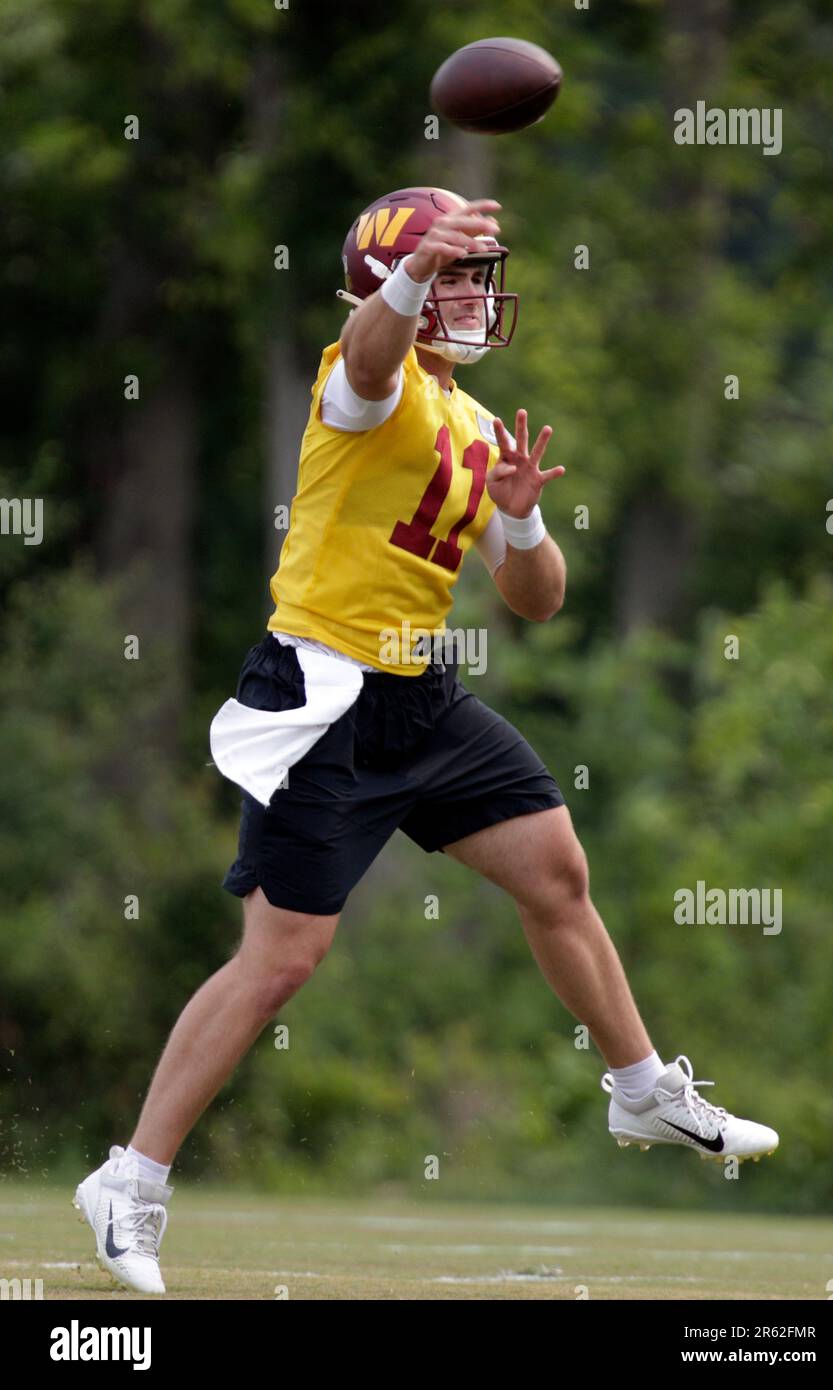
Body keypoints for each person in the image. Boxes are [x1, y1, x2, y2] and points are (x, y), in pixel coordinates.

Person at [73, 187, 778, 1295]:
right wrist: (406, 275)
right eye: (450, 274)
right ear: (388, 283)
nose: (471, 293)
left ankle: (638, 1087)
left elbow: (533, 597)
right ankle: (131, 1179)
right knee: (282, 961)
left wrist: (524, 511)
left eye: (471, 273)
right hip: (320, 686)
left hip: (421, 692)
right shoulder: (361, 379)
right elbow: (365, 356)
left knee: (557, 873)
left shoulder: (476, 419)